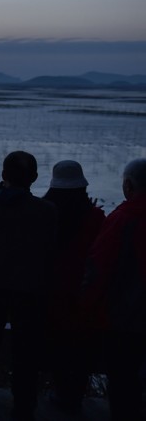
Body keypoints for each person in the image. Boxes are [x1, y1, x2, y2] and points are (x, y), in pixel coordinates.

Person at [0, 151, 57, 420]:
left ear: (4, 175)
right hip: (30, 291)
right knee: (26, 353)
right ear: (35, 178)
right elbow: (51, 251)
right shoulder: (47, 212)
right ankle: (23, 405)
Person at [81, 158, 146, 421]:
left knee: (123, 383)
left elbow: (98, 268)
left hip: (124, 319)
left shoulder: (122, 219)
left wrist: (85, 308)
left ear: (128, 186)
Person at [40, 160, 104, 414]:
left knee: (56, 344)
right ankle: (74, 397)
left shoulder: (45, 214)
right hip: (84, 294)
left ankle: (59, 392)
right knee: (82, 347)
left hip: (51, 293)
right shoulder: (96, 217)